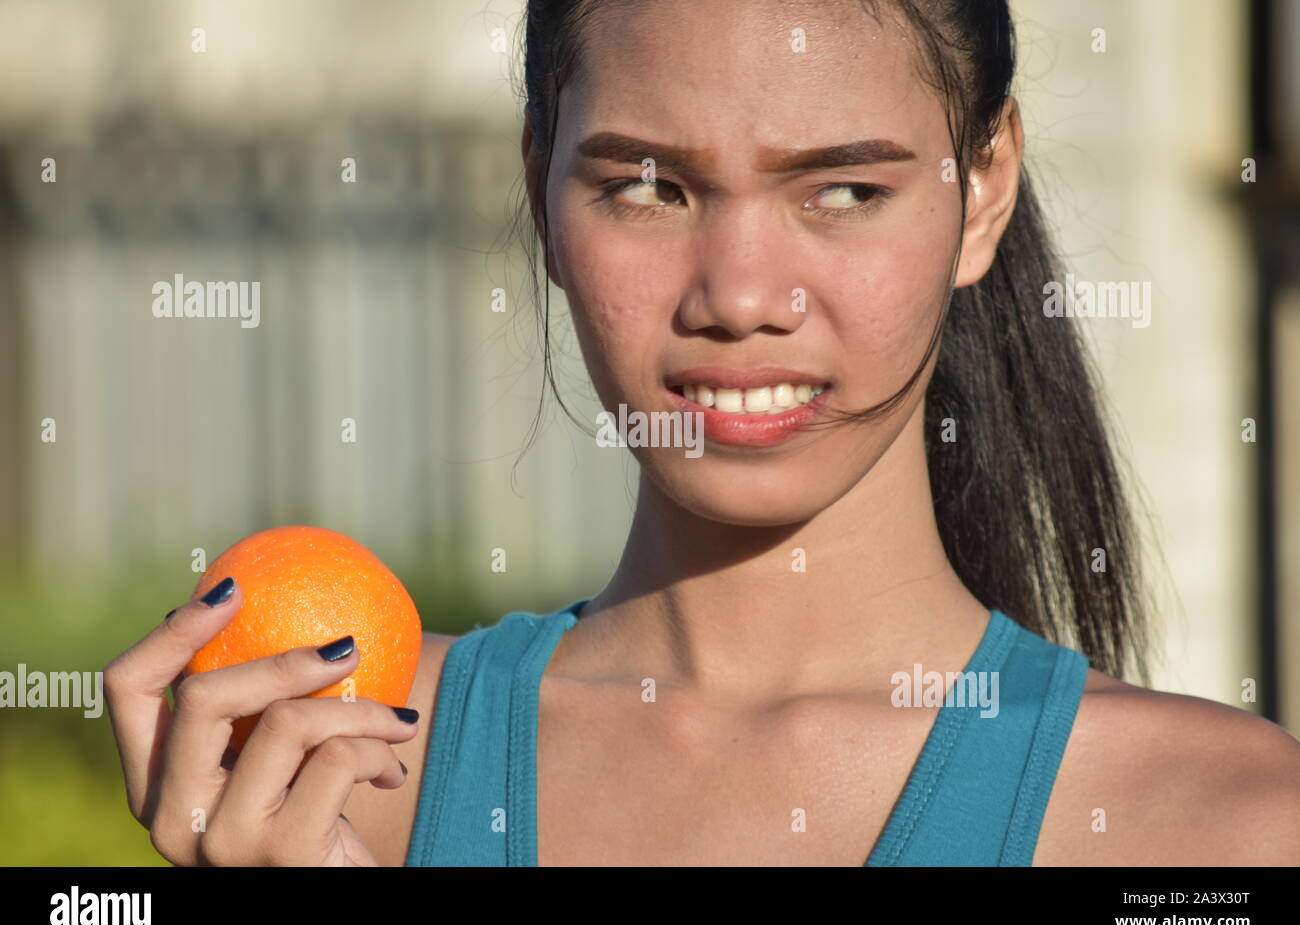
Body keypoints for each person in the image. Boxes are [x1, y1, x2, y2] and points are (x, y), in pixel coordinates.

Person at [106, 0, 1300, 866]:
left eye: (843, 190)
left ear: (981, 192)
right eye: (647, 185)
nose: (737, 294)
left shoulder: (1221, 824)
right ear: (540, 193)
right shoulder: (340, 764)